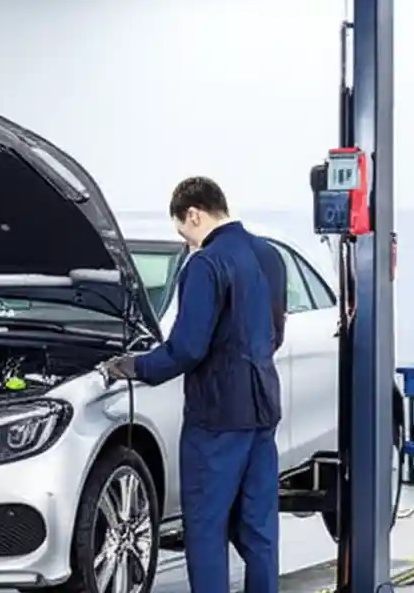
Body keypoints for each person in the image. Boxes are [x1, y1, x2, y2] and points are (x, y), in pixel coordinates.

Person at [104, 176, 287, 593]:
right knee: (259, 529)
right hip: (262, 409)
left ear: (194, 214)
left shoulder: (205, 263)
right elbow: (275, 332)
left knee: (206, 527)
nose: (187, 242)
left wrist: (133, 367)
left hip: (217, 416)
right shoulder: (268, 256)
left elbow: (187, 349)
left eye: (183, 232)